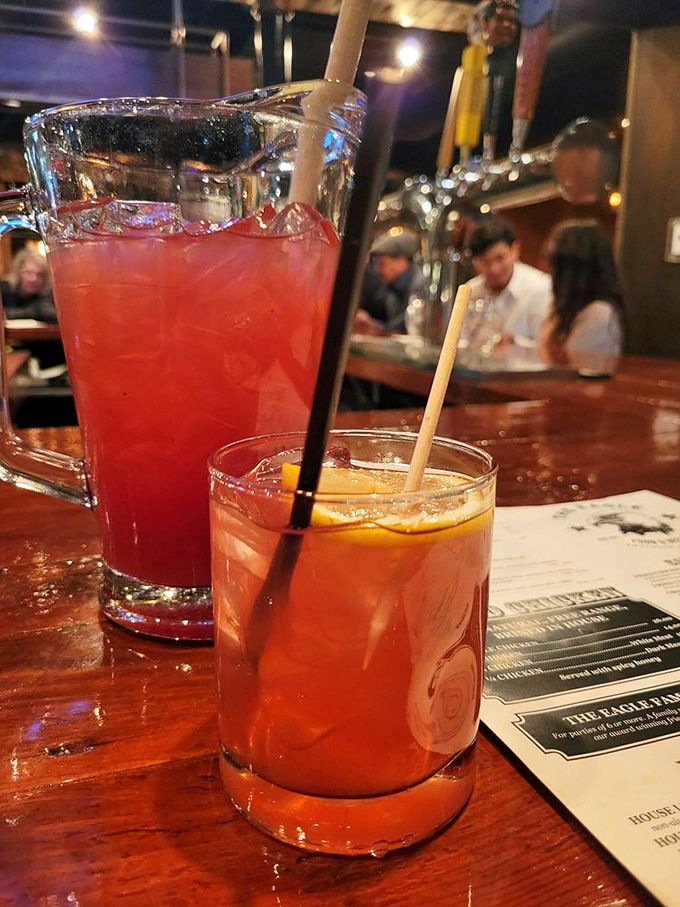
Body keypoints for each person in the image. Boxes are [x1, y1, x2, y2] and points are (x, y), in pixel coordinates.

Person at [539, 220, 624, 374]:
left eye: (555, 264)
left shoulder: (599, 312)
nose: (550, 271)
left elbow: (575, 371)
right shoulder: (566, 307)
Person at [465, 217, 552, 347]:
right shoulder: (470, 290)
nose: (494, 269)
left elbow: (545, 349)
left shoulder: (540, 287)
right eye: (485, 262)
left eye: (500, 258)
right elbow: (461, 341)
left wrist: (512, 342)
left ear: (515, 249)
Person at [354, 233, 426, 335]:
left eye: (381, 264)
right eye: (374, 264)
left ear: (401, 262)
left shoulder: (420, 285)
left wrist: (374, 325)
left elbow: (404, 327)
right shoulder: (391, 285)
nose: (376, 270)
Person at [1, 248, 56, 323]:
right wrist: (33, 312)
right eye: (29, 273)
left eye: (40, 275)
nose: (34, 279)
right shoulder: (4, 289)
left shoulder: (46, 297)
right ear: (18, 272)